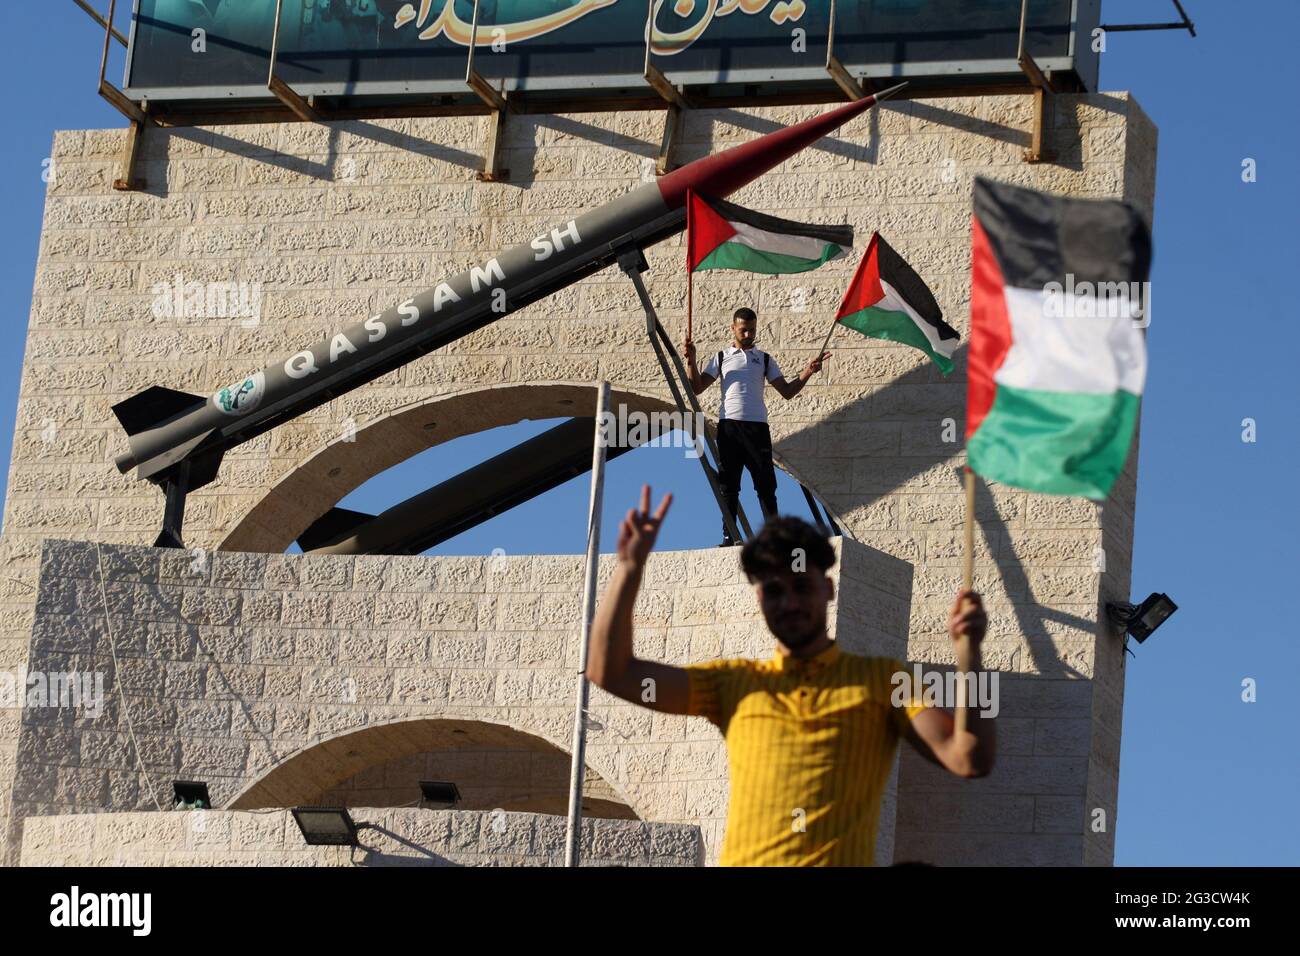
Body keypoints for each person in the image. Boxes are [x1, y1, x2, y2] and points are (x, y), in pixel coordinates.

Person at [587, 486, 996, 867]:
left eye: (802, 586)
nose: (790, 602)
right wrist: (628, 569)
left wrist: (970, 653)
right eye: (774, 591)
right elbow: (611, 671)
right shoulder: (731, 684)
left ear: (829, 589)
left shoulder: (884, 680)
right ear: (759, 598)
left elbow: (968, 757)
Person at [683, 307, 830, 546]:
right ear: (733, 328)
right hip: (730, 427)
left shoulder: (764, 359)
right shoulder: (721, 357)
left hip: (757, 428)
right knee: (729, 486)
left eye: (752, 330)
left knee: (766, 486)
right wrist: (691, 360)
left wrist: (807, 372)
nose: (749, 334)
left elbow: (787, 391)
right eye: (744, 330)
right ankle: (729, 536)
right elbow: (697, 387)